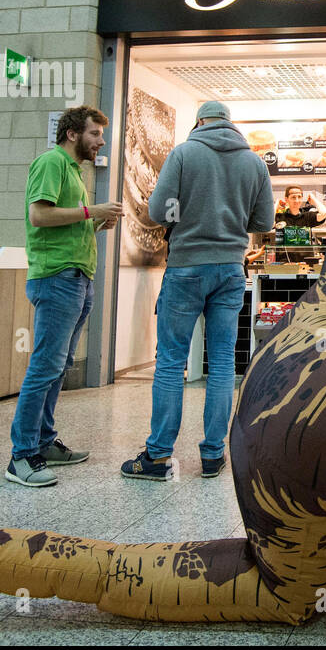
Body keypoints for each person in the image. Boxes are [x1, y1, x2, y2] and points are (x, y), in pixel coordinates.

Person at [121, 100, 273, 481]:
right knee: (222, 362)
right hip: (229, 270)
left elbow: (158, 211)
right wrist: (231, 218)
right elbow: (264, 220)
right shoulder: (254, 163)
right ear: (230, 124)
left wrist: (190, 213)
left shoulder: (184, 154)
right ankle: (212, 455)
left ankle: (157, 456)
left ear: (200, 121)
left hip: (186, 266)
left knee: (171, 361)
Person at [6, 106, 122, 487]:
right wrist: (92, 209)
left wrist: (95, 222)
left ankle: (44, 442)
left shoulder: (74, 170)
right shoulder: (51, 162)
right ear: (72, 133)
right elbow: (39, 216)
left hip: (77, 276)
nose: (100, 141)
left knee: (58, 367)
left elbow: (65, 221)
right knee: (44, 367)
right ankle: (21, 456)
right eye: (95, 134)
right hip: (56, 278)